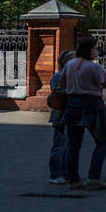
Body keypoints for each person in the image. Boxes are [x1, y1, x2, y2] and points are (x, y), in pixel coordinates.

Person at [62, 37, 106, 190]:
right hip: (92, 104)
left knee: (73, 145)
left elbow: (62, 84)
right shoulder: (95, 68)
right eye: (96, 48)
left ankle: (73, 179)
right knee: (103, 140)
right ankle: (94, 176)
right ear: (89, 49)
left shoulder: (70, 64)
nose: (98, 51)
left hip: (72, 104)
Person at [47, 50, 75, 185]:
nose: (73, 62)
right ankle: (55, 174)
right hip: (59, 114)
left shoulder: (71, 75)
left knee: (67, 145)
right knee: (59, 146)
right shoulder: (59, 76)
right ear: (63, 61)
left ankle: (65, 172)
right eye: (70, 59)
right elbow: (59, 93)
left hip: (67, 114)